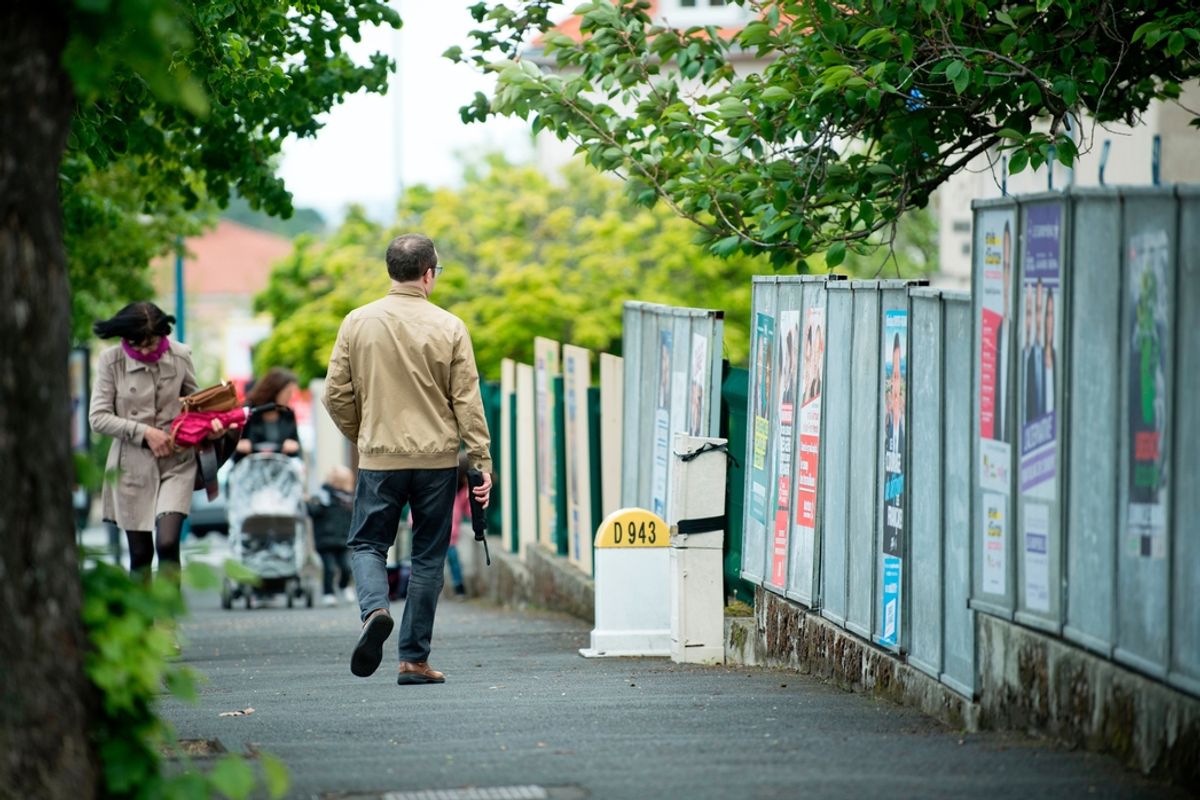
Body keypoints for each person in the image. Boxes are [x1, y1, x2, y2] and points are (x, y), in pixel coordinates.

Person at [324, 233, 492, 686]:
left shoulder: (356, 322)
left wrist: (366, 436)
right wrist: (480, 461)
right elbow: (468, 402)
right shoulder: (450, 326)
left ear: (390, 271)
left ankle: (375, 609)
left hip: (380, 459)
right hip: (437, 462)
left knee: (367, 543)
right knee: (428, 557)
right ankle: (413, 661)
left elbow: (334, 394)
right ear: (429, 273)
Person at [88, 302, 211, 578]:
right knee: (141, 554)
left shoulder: (180, 356)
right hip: (132, 465)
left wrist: (207, 422)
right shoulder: (111, 361)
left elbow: (196, 403)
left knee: (167, 544)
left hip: (176, 462)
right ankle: (142, 621)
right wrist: (144, 432)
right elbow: (97, 417)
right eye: (137, 344)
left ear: (163, 335)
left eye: (151, 343)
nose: (145, 351)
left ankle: (167, 619)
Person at [307, 465, 356, 606]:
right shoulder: (323, 496)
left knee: (346, 567)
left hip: (344, 539)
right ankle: (328, 593)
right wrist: (310, 503)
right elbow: (313, 511)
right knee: (329, 568)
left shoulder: (349, 499)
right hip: (325, 540)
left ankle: (344, 586)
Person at [234, 367, 301, 462]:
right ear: (275, 390)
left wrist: (293, 447)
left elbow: (297, 448)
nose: (290, 397)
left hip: (281, 470)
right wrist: (240, 446)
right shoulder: (249, 412)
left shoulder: (288, 415)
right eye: (288, 392)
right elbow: (232, 447)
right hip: (250, 470)